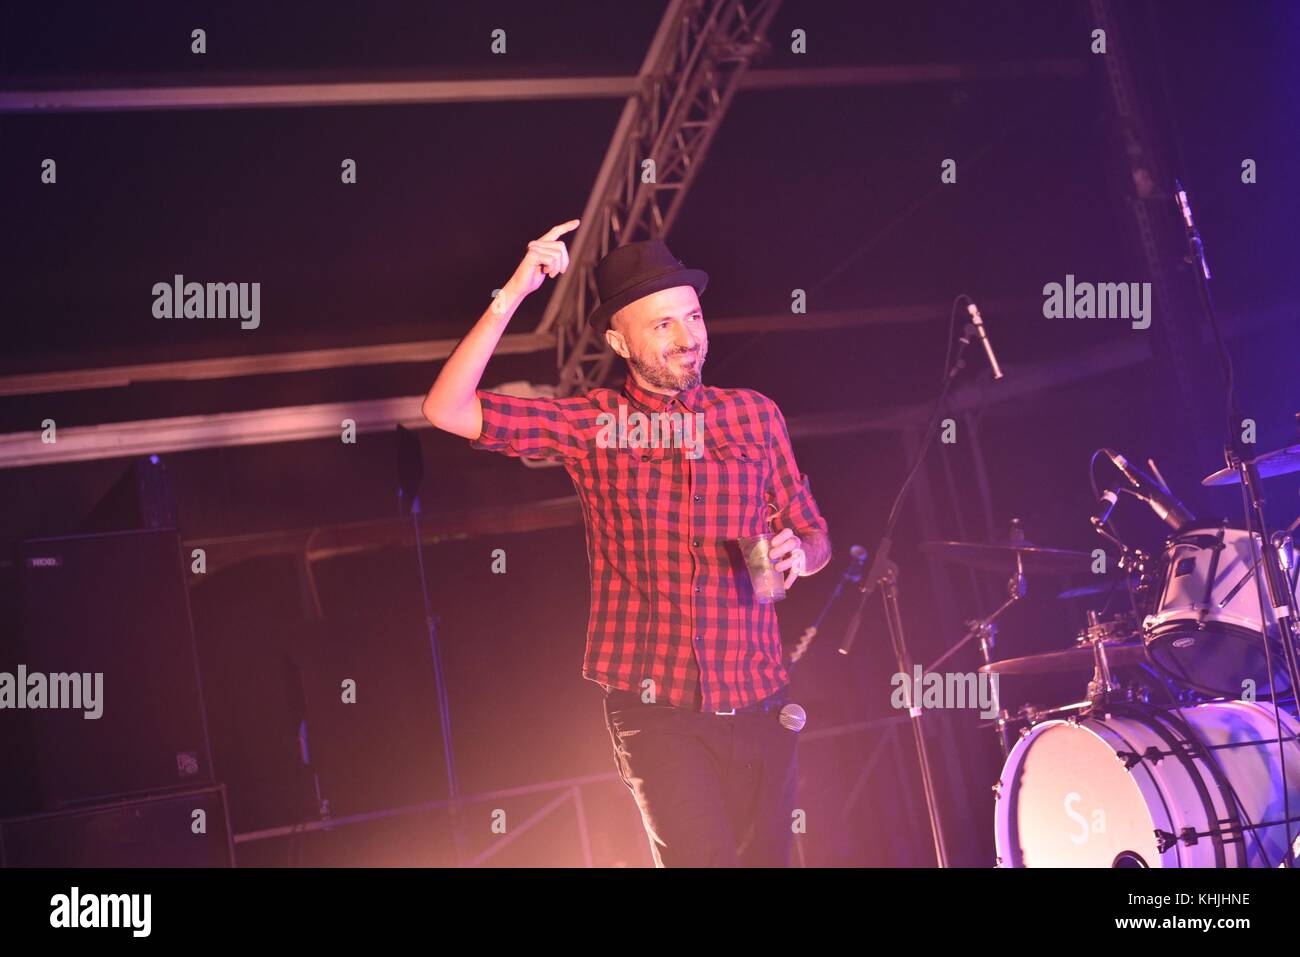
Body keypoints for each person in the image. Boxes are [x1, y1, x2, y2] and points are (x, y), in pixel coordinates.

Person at [422, 219, 832, 866]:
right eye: (664, 324)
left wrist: (801, 554)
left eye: (693, 318)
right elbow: (446, 409)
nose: (688, 337)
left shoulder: (754, 414)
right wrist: (515, 290)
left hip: (762, 701)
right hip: (659, 711)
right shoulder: (593, 425)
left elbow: (813, 531)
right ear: (619, 340)